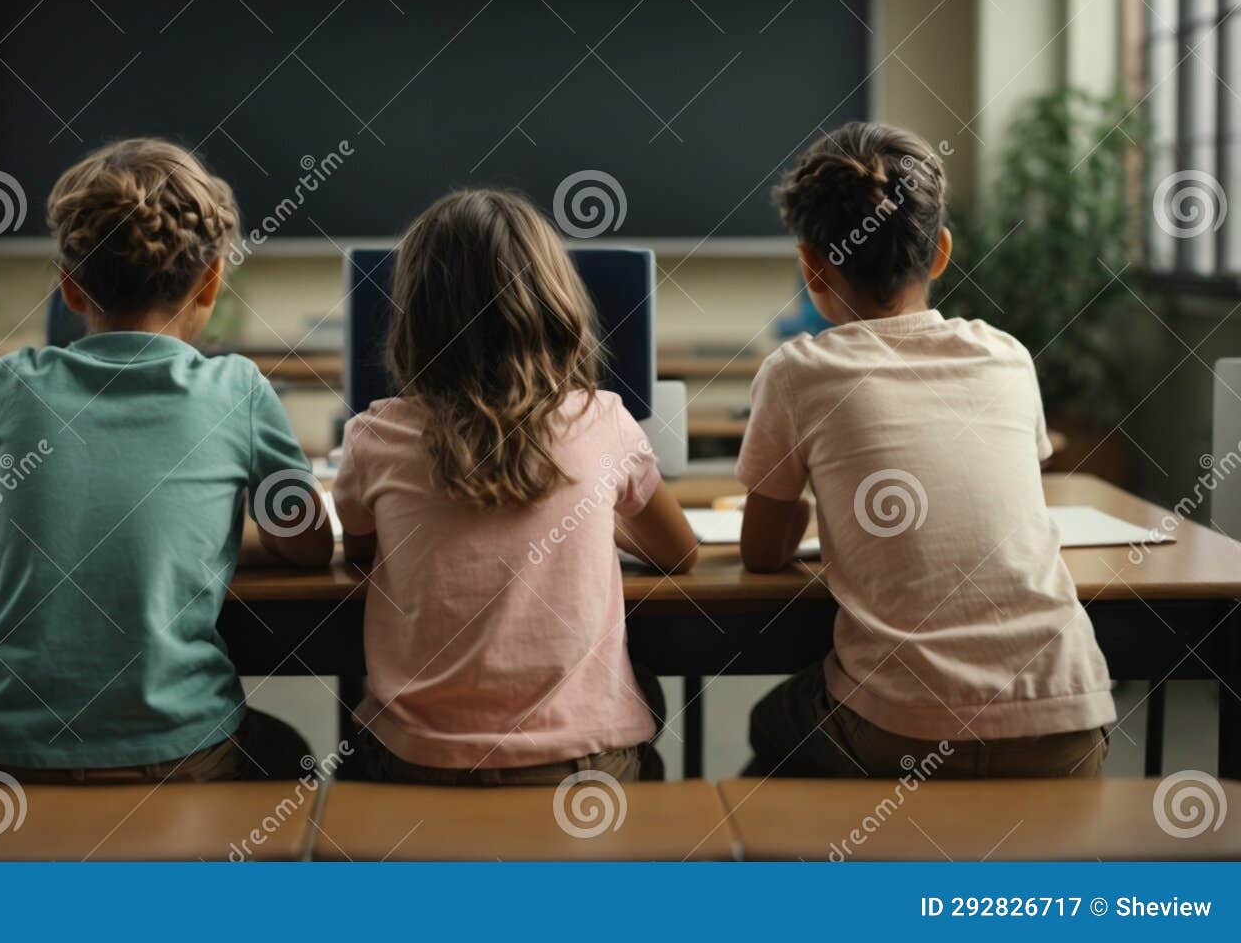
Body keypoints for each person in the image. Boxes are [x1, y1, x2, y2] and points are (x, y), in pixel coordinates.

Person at [0, 138, 332, 782]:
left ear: (69, 287)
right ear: (212, 280)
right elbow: (310, 546)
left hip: (5, 750)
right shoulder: (239, 390)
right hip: (175, 746)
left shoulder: (12, 383)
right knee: (287, 755)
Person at [737, 122, 1114, 779]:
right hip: (1072, 724)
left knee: (769, 722)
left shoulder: (796, 372)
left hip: (901, 731)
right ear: (939, 252)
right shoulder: (1008, 355)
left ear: (810, 266)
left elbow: (761, 554)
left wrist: (804, 502)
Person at [334, 189, 698, 785]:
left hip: (415, 765)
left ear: (415, 315)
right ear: (554, 303)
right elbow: (680, 554)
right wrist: (593, 514)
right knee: (647, 704)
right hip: (580, 771)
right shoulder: (602, 419)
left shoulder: (373, 437)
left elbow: (361, 556)